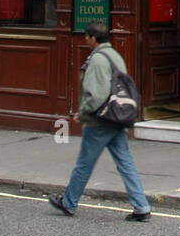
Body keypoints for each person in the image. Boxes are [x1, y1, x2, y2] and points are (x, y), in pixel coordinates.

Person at [48, 22, 151, 222]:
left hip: (100, 121)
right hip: (117, 117)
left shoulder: (97, 60)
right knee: (125, 162)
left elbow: (97, 95)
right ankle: (141, 207)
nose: (85, 40)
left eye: (86, 37)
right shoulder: (115, 56)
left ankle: (68, 203)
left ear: (93, 39)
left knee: (84, 164)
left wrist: (84, 113)